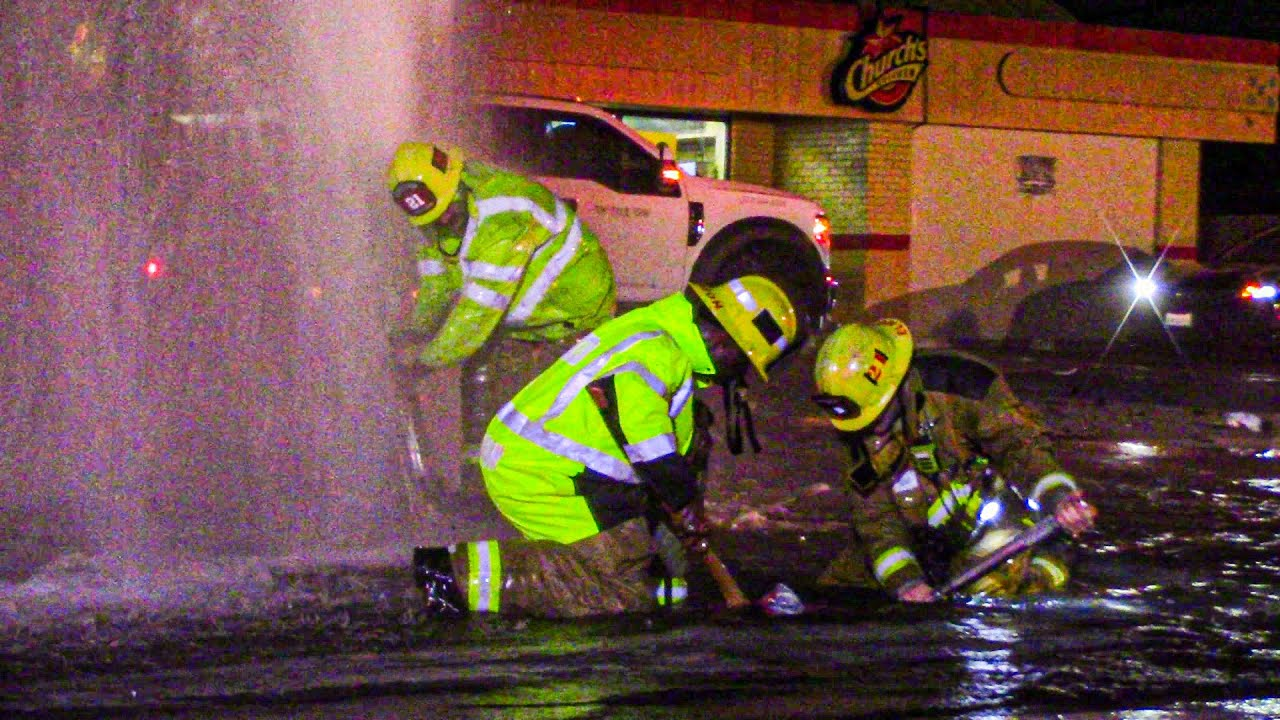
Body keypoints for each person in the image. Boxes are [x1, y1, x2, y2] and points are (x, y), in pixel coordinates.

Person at [413, 276, 799, 617]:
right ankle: (452, 576)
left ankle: (651, 590)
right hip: (543, 472)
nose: (736, 377)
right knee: (611, 594)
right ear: (723, 340)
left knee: (629, 558)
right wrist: (683, 500)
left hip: (554, 466)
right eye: (742, 363)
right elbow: (645, 436)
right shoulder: (658, 351)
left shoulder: (665, 337)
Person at [810, 319, 1098, 602]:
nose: (870, 432)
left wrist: (1059, 499)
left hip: (1006, 526)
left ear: (895, 387)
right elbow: (877, 523)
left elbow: (1021, 450)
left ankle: (1046, 565)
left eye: (876, 417)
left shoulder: (963, 386)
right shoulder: (855, 428)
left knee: (991, 594)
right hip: (931, 540)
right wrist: (906, 582)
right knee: (837, 592)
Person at [386, 141, 617, 491]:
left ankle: (544, 491)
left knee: (535, 408)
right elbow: (437, 288)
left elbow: (477, 314)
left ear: (458, 183)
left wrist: (423, 363)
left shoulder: (503, 217)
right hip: (526, 322)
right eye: (434, 220)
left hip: (574, 318)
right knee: (481, 379)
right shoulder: (436, 218)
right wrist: (412, 333)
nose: (443, 223)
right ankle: (480, 483)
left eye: (447, 213)